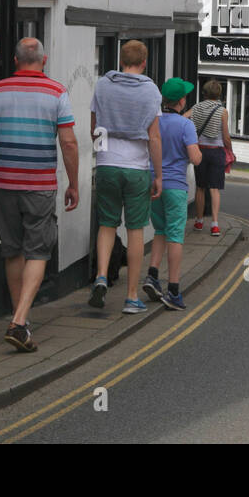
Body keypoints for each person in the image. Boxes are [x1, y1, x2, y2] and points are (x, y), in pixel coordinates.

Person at [0, 38, 78, 352]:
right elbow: (69, 143)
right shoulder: (57, 92)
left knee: (12, 250)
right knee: (37, 251)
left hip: (4, 183)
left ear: (15, 59)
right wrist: (73, 183)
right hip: (39, 185)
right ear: (44, 60)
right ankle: (19, 322)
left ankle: (20, 318)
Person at [89, 40, 163, 313]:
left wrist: (102, 156)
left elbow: (94, 129)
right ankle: (131, 296)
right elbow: (154, 137)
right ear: (144, 62)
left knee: (107, 225)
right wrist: (159, 175)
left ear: (121, 60)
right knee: (134, 230)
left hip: (107, 164)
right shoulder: (151, 91)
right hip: (136, 168)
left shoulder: (103, 85)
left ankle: (100, 277)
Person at [141, 78, 202, 310]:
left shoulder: (154, 121)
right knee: (175, 235)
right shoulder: (186, 126)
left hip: (153, 182)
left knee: (160, 229)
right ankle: (174, 290)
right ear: (182, 100)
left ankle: (152, 275)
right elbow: (195, 158)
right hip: (175, 185)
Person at [191, 80, 234, 237]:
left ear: (204, 92)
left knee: (200, 187)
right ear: (219, 94)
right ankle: (215, 225)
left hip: (200, 150)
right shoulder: (222, 111)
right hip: (216, 152)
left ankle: (199, 220)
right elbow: (226, 136)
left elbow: (183, 117)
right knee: (214, 189)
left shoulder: (196, 107)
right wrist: (231, 151)